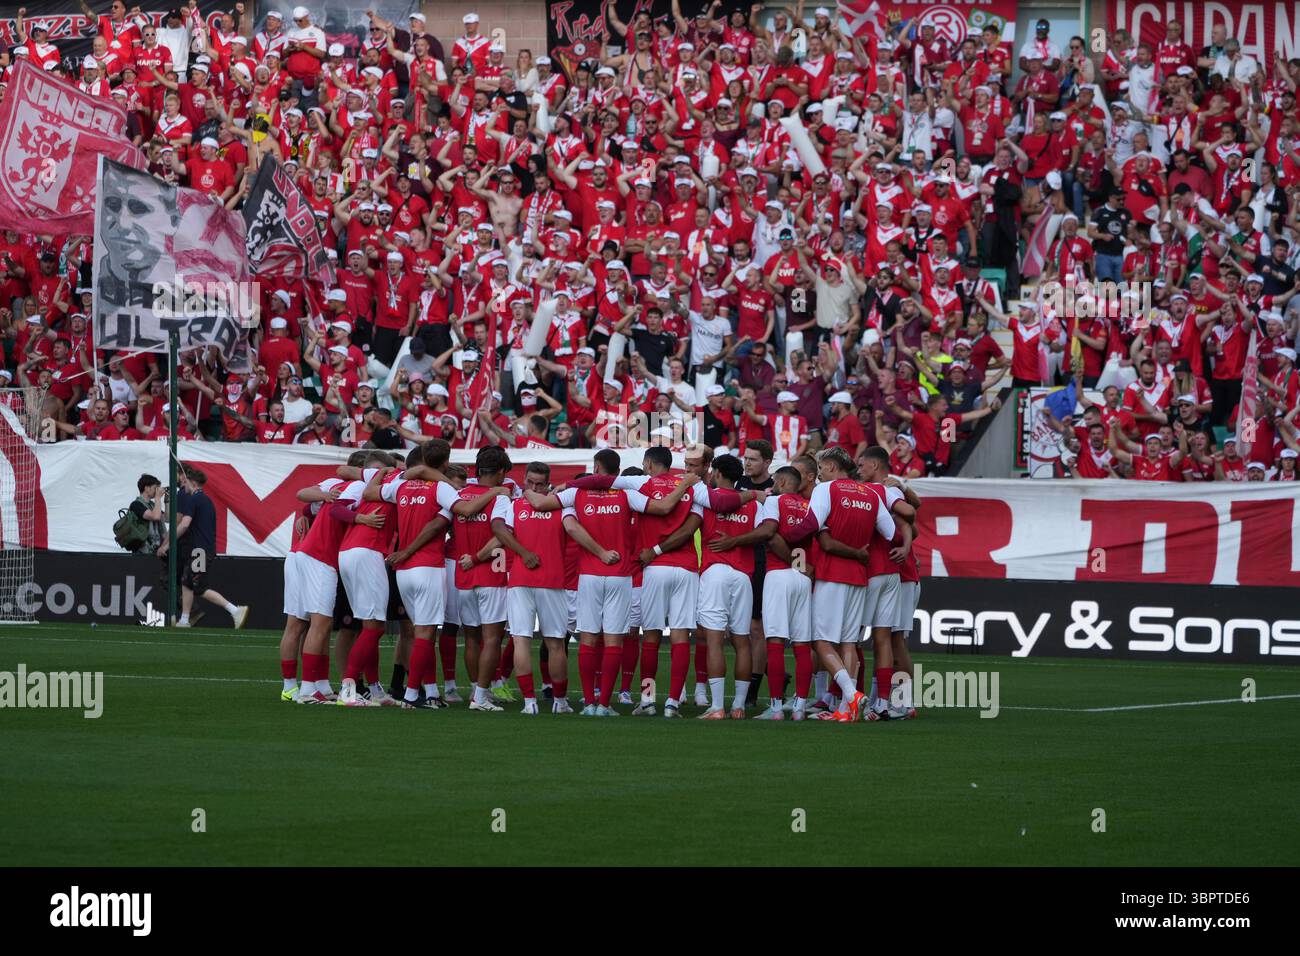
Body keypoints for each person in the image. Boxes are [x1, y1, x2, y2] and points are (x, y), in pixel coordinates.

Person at [173, 466, 249, 629]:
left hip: (200, 551)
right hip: (202, 550)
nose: (184, 486)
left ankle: (234, 610)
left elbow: (184, 524)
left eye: (186, 483)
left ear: (193, 483)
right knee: (188, 582)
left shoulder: (195, 499)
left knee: (197, 586)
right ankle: (185, 620)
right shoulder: (205, 500)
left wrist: (170, 541)